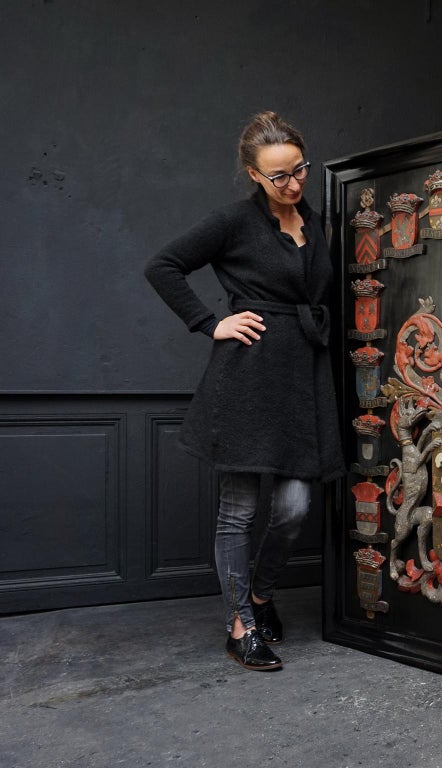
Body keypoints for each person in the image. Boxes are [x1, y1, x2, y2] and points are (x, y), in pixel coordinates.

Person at [145, 111, 344, 671]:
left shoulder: (315, 223)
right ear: (254, 174)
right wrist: (211, 323)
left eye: (299, 169)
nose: (293, 183)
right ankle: (240, 625)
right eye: (278, 175)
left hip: (302, 375)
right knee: (238, 510)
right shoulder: (232, 222)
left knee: (294, 508)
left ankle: (259, 595)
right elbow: (163, 266)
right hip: (248, 377)